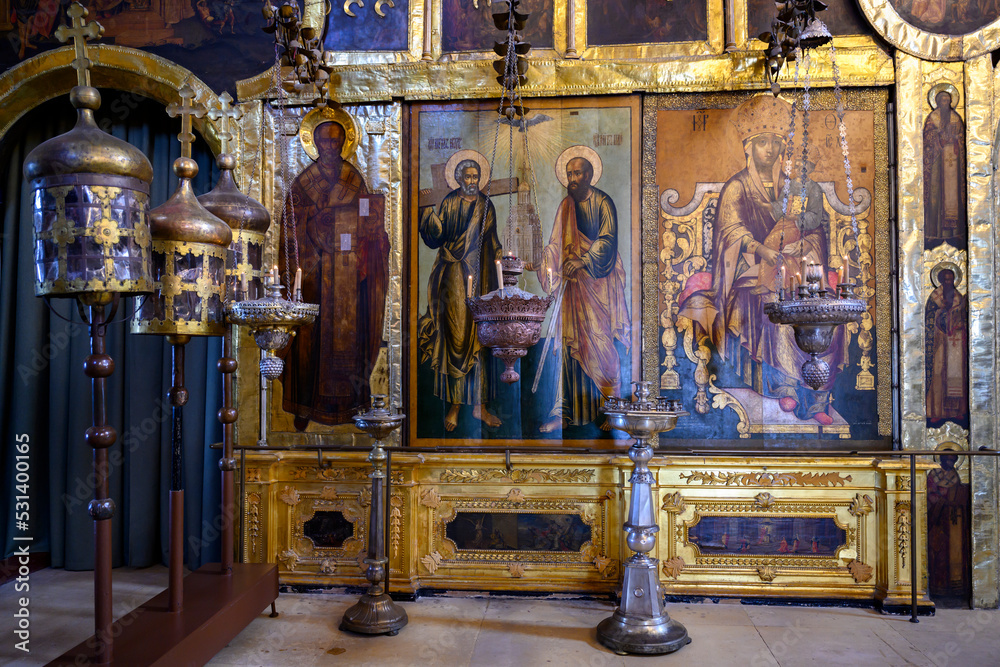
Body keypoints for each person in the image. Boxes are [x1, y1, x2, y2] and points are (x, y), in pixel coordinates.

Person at [678, 94, 844, 424]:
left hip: (797, 265)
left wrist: (806, 246)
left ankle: (817, 397)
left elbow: (814, 226)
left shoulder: (796, 186)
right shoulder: (738, 187)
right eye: (762, 142)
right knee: (777, 298)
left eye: (774, 144)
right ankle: (786, 386)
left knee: (826, 305)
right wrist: (763, 249)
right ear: (749, 147)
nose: (770, 149)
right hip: (749, 266)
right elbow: (731, 232)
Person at [281, 121, 390, 429]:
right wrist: (315, 230)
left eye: (334, 143)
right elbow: (291, 224)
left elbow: (369, 219)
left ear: (343, 144)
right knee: (309, 338)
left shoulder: (353, 179)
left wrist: (375, 240)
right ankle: (305, 405)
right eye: (324, 143)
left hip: (348, 276)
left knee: (349, 337)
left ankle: (350, 404)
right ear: (315, 144)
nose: (329, 148)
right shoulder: (304, 182)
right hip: (314, 276)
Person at [536, 151, 631, 433]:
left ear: (589, 175)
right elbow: (555, 243)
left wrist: (583, 261)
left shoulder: (603, 202)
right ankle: (562, 413)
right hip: (572, 290)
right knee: (569, 349)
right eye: (570, 175)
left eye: (578, 174)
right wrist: (543, 262)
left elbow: (608, 241)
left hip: (599, 286)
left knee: (601, 345)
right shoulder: (566, 205)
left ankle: (612, 406)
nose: (573, 179)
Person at [418, 158, 503, 431]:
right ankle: (455, 405)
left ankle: (480, 406)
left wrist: (507, 264)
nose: (472, 181)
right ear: (458, 178)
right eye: (467, 176)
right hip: (454, 277)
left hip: (483, 277)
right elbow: (435, 237)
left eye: (476, 176)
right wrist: (427, 211)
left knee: (482, 337)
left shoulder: (486, 206)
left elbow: (494, 243)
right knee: (456, 339)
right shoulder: (450, 202)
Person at [923, 90, 966, 250]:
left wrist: (956, 140)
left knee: (953, 196)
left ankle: (955, 233)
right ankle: (933, 232)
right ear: (938, 102)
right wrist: (938, 138)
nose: (945, 102)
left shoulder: (956, 117)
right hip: (936, 162)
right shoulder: (932, 117)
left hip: (953, 162)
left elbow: (962, 137)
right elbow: (927, 137)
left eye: (947, 100)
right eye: (942, 100)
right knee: (935, 194)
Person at [925, 267, 968, 424]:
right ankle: (936, 411)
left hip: (955, 342)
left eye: (951, 280)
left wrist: (959, 325)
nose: (949, 283)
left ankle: (957, 411)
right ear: (941, 281)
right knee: (938, 373)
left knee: (956, 376)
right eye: (946, 280)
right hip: (939, 340)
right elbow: (928, 317)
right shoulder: (935, 297)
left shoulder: (959, 297)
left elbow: (964, 318)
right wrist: (941, 313)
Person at [927, 453, 970, 601]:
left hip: (954, 519)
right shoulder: (934, 473)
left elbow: (958, 491)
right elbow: (930, 491)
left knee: (955, 550)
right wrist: (941, 496)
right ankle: (937, 586)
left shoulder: (955, 475)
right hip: (938, 516)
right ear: (942, 460)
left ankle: (956, 586)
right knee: (939, 550)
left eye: (953, 460)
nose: (950, 462)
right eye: (948, 459)